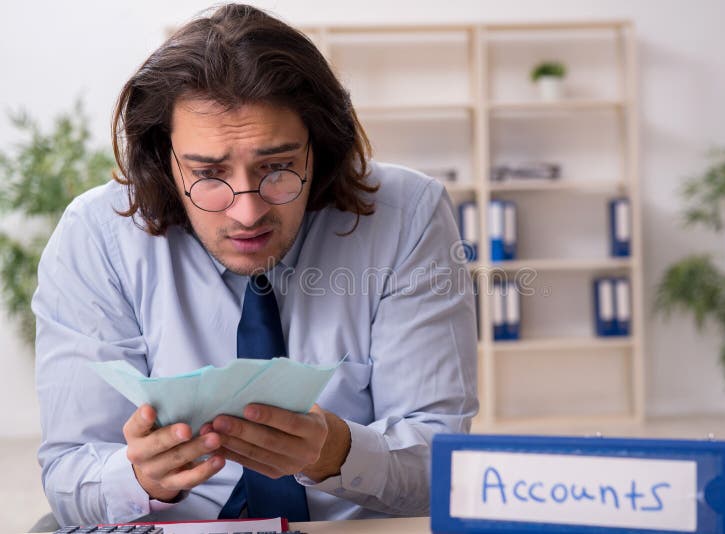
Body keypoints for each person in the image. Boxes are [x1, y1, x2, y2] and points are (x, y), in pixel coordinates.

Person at [33, 2, 478, 527]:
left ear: (321, 148)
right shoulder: (97, 235)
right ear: (164, 158)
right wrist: (138, 478)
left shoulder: (409, 216)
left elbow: (442, 465)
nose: (247, 213)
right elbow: (68, 479)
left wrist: (339, 453)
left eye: (279, 167)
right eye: (208, 172)